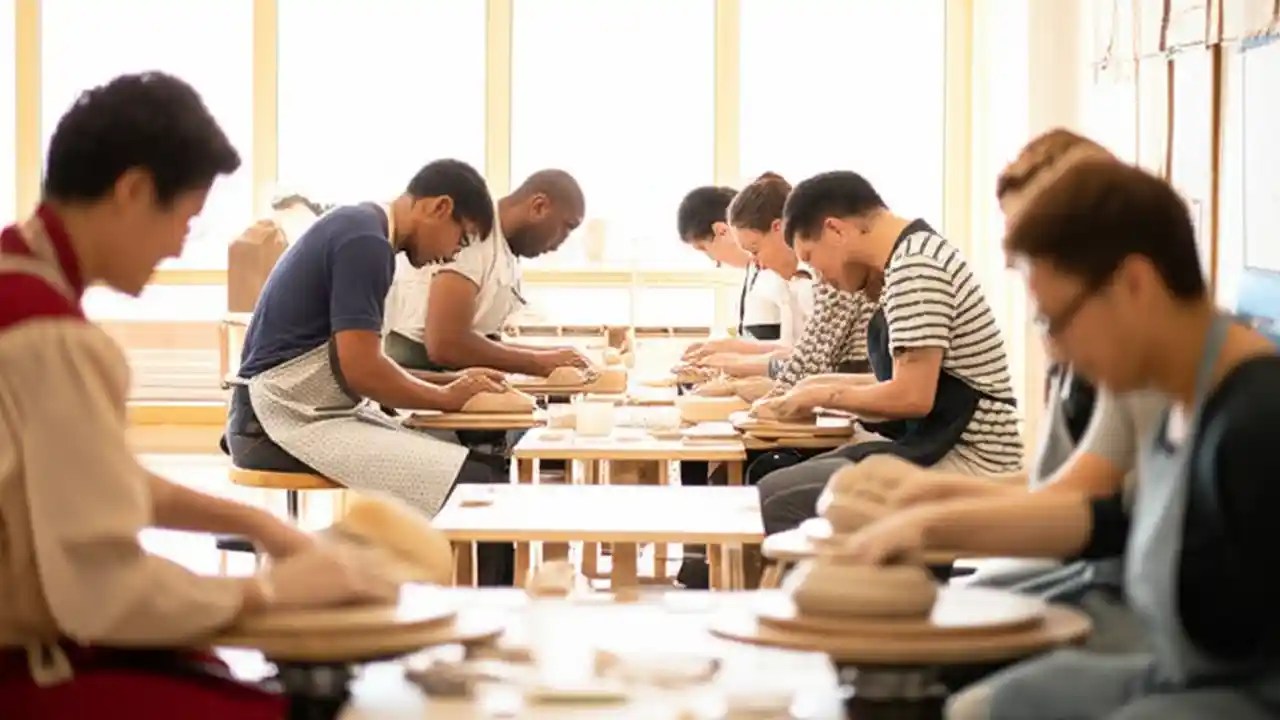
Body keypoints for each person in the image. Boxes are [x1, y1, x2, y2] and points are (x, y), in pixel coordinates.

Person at [0, 72, 396, 719]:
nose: (181, 243)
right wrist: (270, 591)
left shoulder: (16, 286)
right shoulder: (49, 337)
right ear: (133, 190)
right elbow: (102, 592)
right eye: (185, 217)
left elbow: (95, 480)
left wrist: (258, 523)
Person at [845, 161, 1280, 720]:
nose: (1057, 350)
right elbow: (1111, 521)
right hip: (1177, 673)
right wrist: (928, 522)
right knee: (987, 708)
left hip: (1243, 694)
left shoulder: (1256, 422)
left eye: (1057, 321)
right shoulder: (1175, 392)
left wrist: (932, 518)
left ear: (1134, 285)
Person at [224, 158, 513, 585]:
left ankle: (449, 590)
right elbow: (362, 371)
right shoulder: (366, 242)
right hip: (277, 423)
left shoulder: (363, 229)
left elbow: (364, 360)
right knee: (480, 483)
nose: (453, 254)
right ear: (439, 208)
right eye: (462, 238)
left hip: (298, 412)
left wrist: (451, 382)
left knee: (475, 463)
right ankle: (486, 606)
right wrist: (445, 397)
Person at [753, 171, 1024, 536]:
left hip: (971, 459)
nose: (820, 277)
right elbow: (904, 380)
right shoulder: (910, 258)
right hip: (939, 444)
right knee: (774, 481)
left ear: (835, 230)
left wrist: (820, 396)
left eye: (812, 259)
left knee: (775, 498)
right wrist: (812, 386)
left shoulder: (916, 269)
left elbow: (911, 397)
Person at [383, 169, 591, 374]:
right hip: (413, 368)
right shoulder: (473, 233)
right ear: (539, 206)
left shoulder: (507, 251)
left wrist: (554, 356)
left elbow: (481, 340)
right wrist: (538, 363)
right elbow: (446, 344)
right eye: (567, 227)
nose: (561, 243)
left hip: (445, 371)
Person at [687, 173, 817, 378]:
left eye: (755, 250)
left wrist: (735, 363)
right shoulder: (793, 284)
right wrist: (726, 350)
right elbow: (790, 351)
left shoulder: (815, 283)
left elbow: (817, 366)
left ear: (779, 228)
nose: (755, 263)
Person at [676, 185, 782, 341]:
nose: (714, 260)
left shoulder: (777, 274)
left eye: (704, 248)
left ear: (722, 231)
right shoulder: (752, 274)